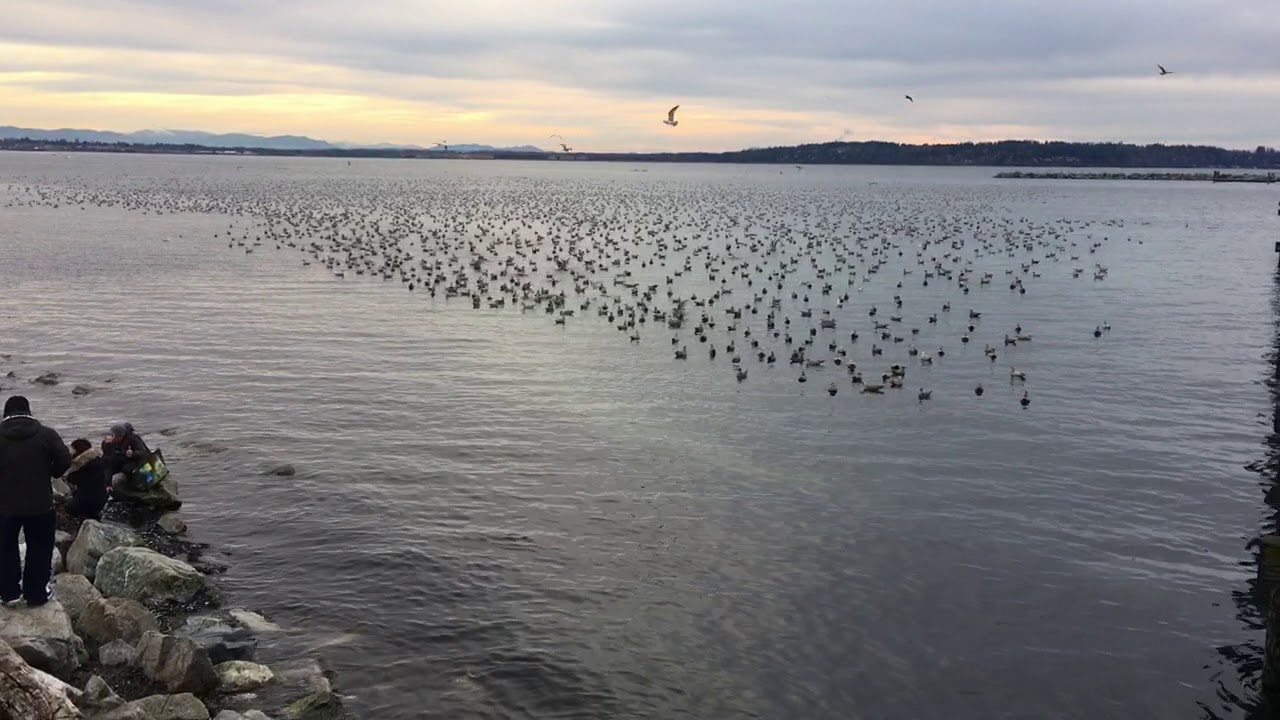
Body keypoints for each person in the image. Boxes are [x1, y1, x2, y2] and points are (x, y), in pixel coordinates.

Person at [0, 396, 71, 607]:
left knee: (4, 548)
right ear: (29, 412)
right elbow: (64, 460)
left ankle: (8, 593)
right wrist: (49, 472)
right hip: (40, 504)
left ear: (6, 413)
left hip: (4, 506)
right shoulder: (46, 434)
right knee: (40, 548)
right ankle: (36, 593)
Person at [62, 438, 108, 521]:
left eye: (73, 449)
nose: (71, 452)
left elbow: (71, 479)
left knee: (68, 507)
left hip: (88, 500)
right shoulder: (97, 461)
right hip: (101, 497)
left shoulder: (83, 466)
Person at [102, 422, 150, 492]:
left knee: (126, 469)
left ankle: (134, 484)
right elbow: (106, 455)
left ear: (120, 436)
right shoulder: (110, 441)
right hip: (121, 458)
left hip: (135, 460)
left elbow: (144, 453)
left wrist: (133, 453)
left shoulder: (133, 439)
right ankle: (108, 486)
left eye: (114, 435)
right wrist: (107, 445)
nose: (112, 437)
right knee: (107, 464)